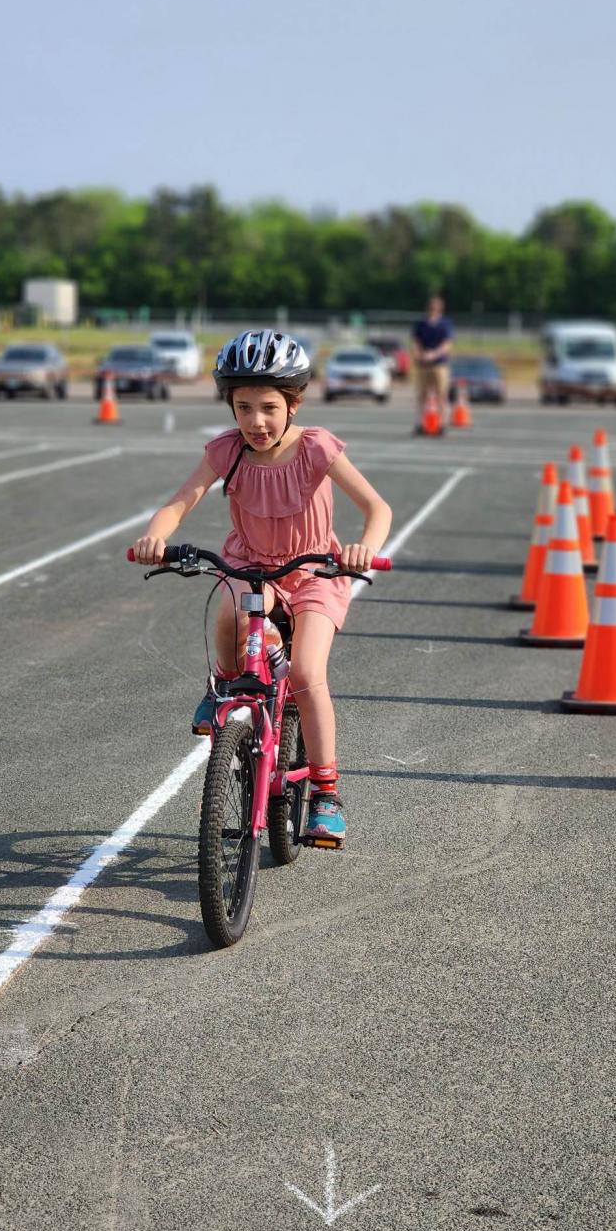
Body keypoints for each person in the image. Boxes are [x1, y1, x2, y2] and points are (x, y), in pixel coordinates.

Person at [133, 330, 392, 850]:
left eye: (269, 407)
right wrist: (155, 538)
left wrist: (363, 547)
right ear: (230, 406)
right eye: (244, 406)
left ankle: (324, 792)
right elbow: (181, 502)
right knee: (230, 607)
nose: (256, 421)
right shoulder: (226, 452)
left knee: (306, 672)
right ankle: (226, 687)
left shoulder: (316, 448)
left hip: (316, 570)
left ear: (293, 405)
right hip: (250, 565)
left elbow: (377, 509)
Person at [411, 295, 453, 433]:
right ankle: (420, 423)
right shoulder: (421, 324)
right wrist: (420, 354)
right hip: (423, 365)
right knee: (422, 394)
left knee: (441, 394)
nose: (432, 309)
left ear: (440, 308)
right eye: (431, 306)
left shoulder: (445, 324)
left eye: (435, 307)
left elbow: (447, 345)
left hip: (439, 364)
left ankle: (442, 423)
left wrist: (433, 354)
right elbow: (416, 342)